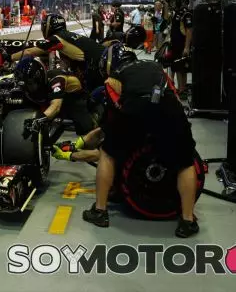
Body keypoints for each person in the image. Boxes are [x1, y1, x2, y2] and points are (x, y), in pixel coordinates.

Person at [82, 42, 199, 238]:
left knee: (108, 153)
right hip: (169, 108)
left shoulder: (113, 79)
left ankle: (100, 211)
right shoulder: (156, 67)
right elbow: (175, 98)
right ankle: (187, 220)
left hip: (135, 106)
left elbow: (114, 114)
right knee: (185, 162)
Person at [11, 13, 106, 93]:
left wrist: (9, 57)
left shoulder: (57, 38)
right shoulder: (68, 36)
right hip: (103, 61)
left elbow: (29, 52)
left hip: (98, 69)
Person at [14, 56, 99, 136]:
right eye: (24, 85)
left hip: (74, 101)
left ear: (39, 78)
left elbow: (56, 107)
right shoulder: (26, 87)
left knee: (86, 130)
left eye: (30, 84)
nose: (27, 88)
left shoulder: (57, 79)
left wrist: (37, 121)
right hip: (52, 101)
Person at [169, 0, 193, 94]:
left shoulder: (185, 13)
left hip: (182, 45)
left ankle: (181, 89)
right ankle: (182, 88)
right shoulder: (177, 12)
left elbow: (189, 30)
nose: (172, 4)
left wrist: (187, 47)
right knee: (179, 68)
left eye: (174, 2)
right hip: (176, 44)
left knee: (180, 67)